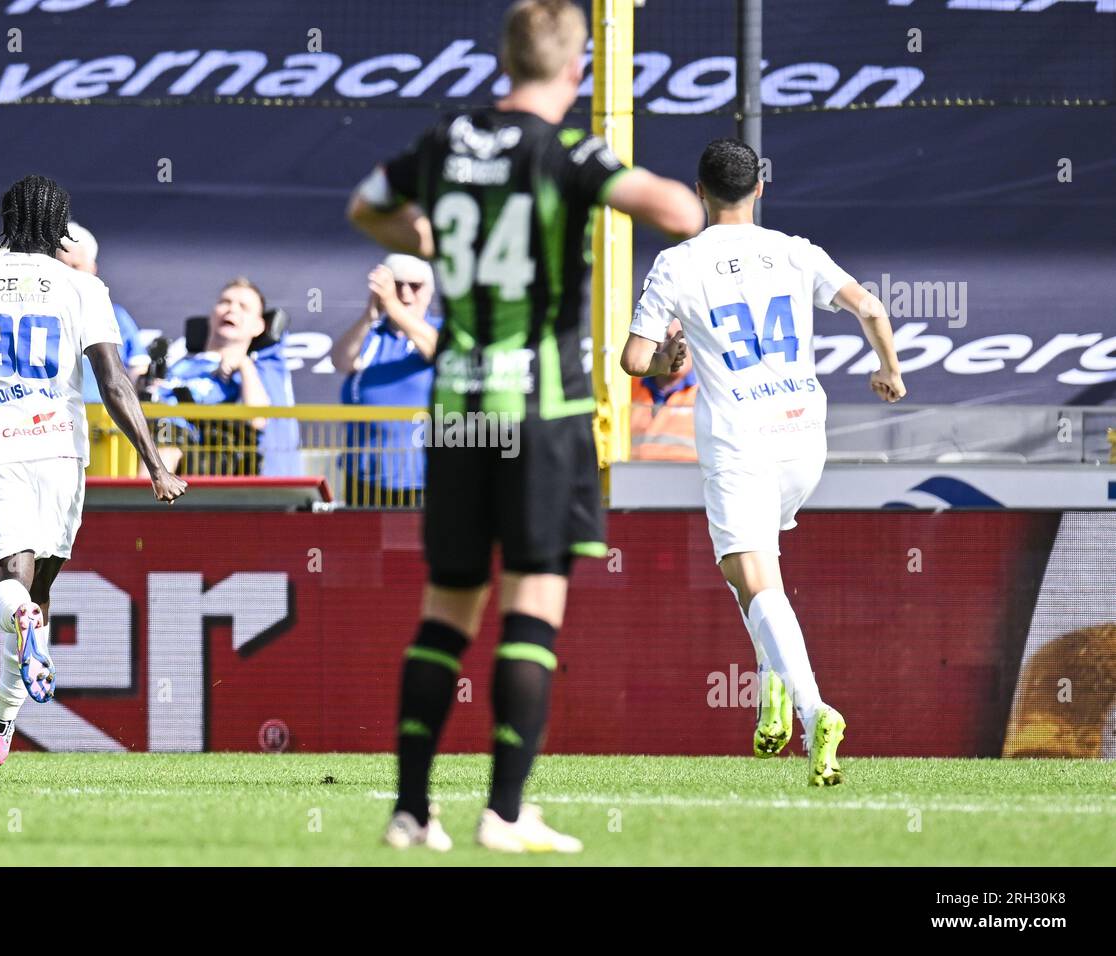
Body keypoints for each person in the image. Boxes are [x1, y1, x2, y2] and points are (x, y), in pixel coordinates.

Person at [348, 0, 703, 853]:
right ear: (579, 68)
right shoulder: (567, 153)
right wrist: (596, 189)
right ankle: (504, 812)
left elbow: (364, 205)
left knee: (446, 611)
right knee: (533, 606)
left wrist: (428, 238)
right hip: (541, 417)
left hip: (461, 413)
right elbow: (681, 213)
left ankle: (409, 808)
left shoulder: (443, 141)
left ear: (505, 60)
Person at [621, 137, 907, 786]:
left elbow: (635, 362)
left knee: (750, 578)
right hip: (805, 437)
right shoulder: (795, 251)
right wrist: (889, 372)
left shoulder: (678, 263)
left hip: (740, 440)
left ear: (698, 194)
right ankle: (771, 690)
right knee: (755, 568)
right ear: (760, 191)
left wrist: (670, 358)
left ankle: (813, 713)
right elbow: (871, 307)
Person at [0, 174, 186, 768]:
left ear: (6, 222)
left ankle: (13, 663)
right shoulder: (81, 287)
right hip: (61, 452)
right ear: (59, 227)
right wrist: (155, 465)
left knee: (7, 585)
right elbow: (114, 383)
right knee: (38, 588)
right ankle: (4, 714)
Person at [154, 277, 292, 475]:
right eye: (224, 302)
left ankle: (143, 501)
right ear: (211, 315)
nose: (231, 309)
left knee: (167, 436)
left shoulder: (253, 371)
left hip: (190, 452)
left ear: (259, 326)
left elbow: (258, 418)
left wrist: (244, 365)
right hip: (146, 437)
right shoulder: (179, 363)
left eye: (243, 307)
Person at [334, 254, 441, 507]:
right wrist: (369, 316)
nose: (405, 293)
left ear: (428, 292)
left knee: (415, 547)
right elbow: (341, 360)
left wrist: (392, 304)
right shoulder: (372, 335)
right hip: (364, 474)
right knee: (364, 545)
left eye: (415, 286)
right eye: (397, 285)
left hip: (421, 478)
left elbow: (436, 349)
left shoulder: (439, 329)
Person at [54, 221, 149, 402]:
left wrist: (144, 382)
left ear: (93, 269)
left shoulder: (115, 315)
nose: (67, 274)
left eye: (75, 266)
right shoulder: (34, 313)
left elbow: (138, 369)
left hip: (106, 425)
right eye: (60, 265)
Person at [629, 335, 699, 461]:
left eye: (685, 338)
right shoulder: (626, 388)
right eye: (667, 338)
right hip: (630, 476)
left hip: (690, 478)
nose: (679, 346)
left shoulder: (706, 392)